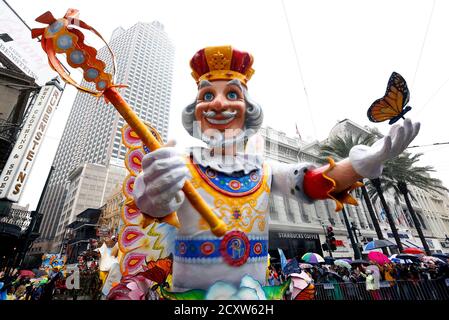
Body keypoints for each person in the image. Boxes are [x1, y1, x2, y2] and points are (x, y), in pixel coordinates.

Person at [132, 45, 421, 296]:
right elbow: (153, 206)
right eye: (207, 96)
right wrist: (156, 186)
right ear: (195, 112)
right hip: (190, 299)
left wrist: (364, 162)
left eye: (231, 93)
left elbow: (314, 182)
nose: (218, 103)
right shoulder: (179, 164)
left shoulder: (264, 170)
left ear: (248, 110)